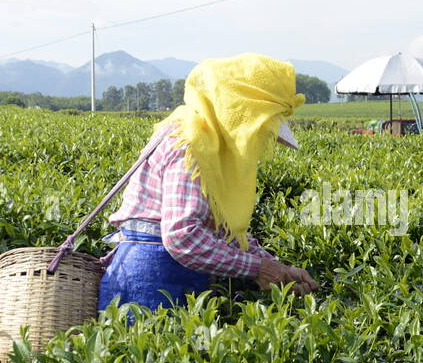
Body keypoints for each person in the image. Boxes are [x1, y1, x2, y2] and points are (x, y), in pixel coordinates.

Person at [99, 53, 319, 312]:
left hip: (172, 273)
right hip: (151, 279)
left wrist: (278, 269)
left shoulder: (209, 144)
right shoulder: (192, 144)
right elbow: (183, 236)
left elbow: (219, 229)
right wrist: (258, 269)